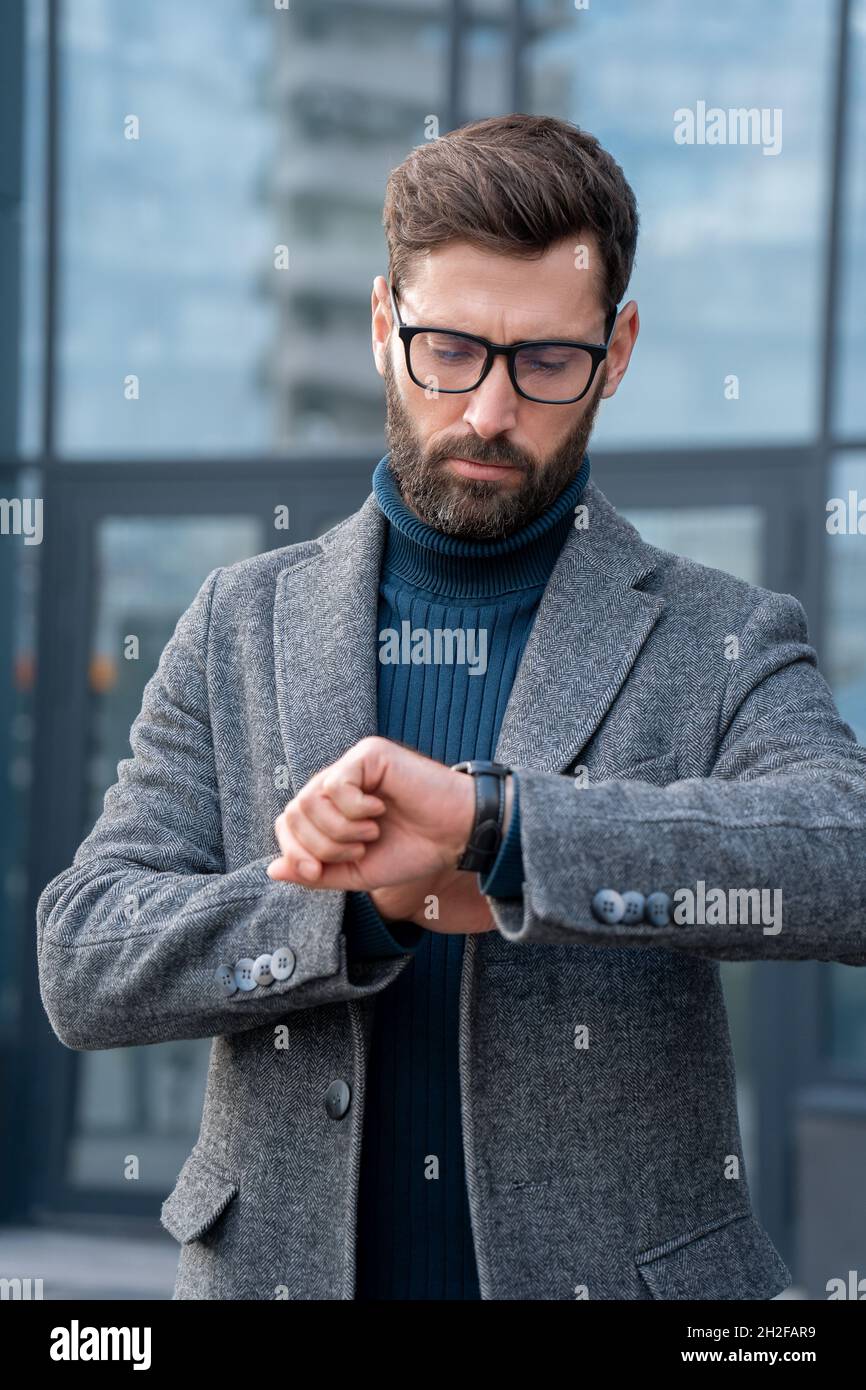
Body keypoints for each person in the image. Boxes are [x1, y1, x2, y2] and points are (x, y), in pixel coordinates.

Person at [37, 114, 866, 1302]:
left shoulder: (717, 634)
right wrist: (356, 916)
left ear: (616, 348)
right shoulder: (236, 620)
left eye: (543, 362)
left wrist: (505, 828)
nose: (487, 409)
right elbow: (82, 953)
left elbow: (841, 855)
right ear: (382, 326)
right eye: (448, 350)